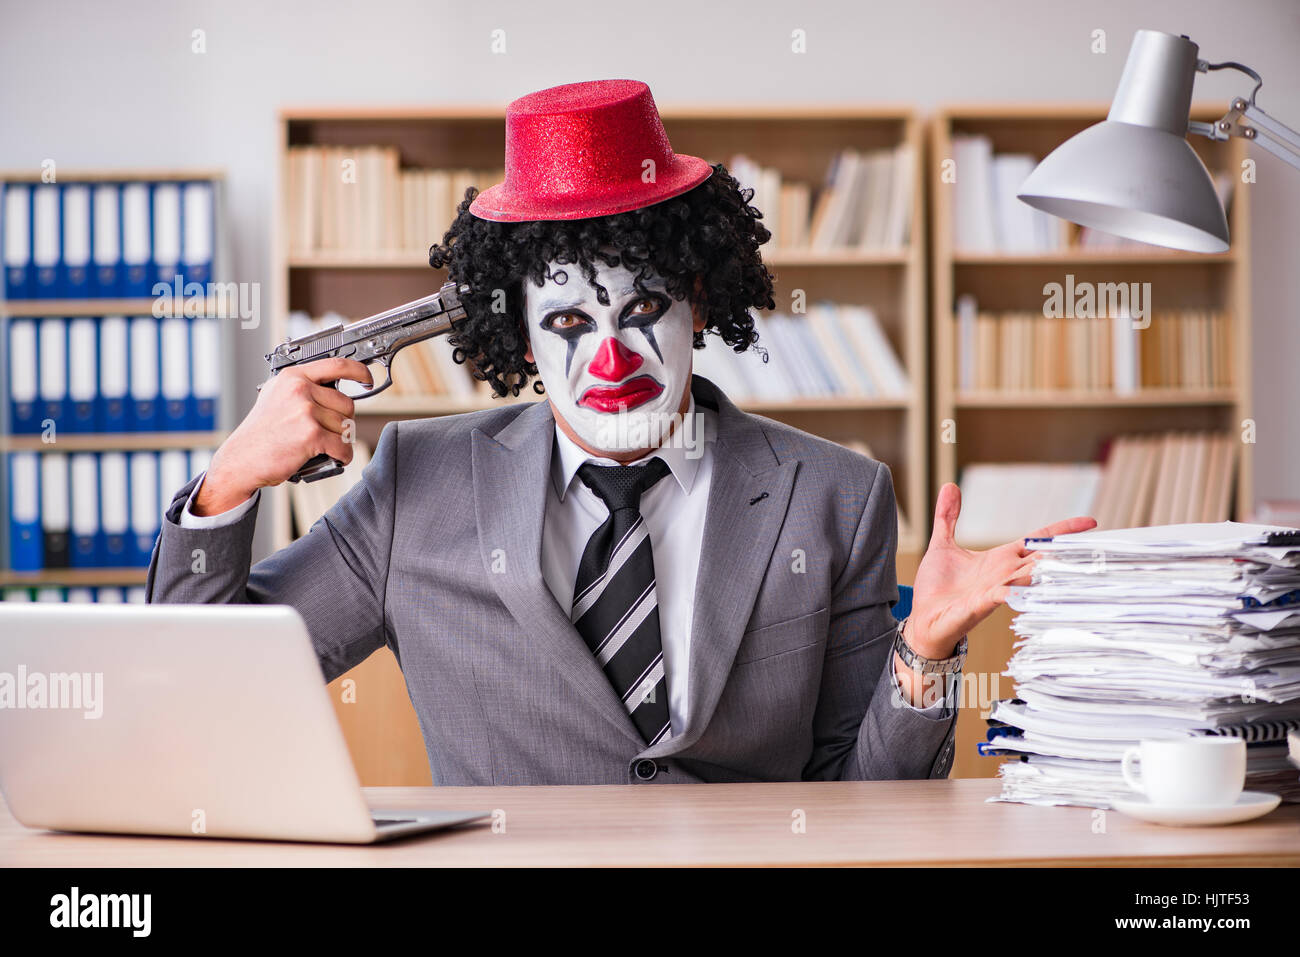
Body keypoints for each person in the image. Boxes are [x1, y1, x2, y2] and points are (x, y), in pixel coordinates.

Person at [148, 79, 1093, 785]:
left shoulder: (835, 497)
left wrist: (922, 654)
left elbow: (869, 802)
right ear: (518, 331)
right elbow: (202, 689)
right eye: (567, 323)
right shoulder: (416, 487)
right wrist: (226, 485)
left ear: (696, 299)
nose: (611, 355)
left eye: (642, 308)